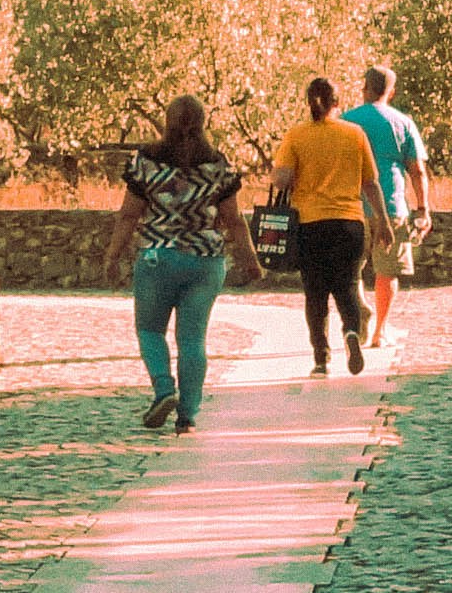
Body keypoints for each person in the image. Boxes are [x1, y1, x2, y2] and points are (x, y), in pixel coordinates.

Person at [103, 95, 242, 432]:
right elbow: (234, 220)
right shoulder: (218, 164)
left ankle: (165, 390)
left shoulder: (146, 161)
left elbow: (128, 216)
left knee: (150, 330)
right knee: (193, 340)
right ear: (203, 123)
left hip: (157, 257)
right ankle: (187, 416)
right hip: (205, 261)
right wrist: (252, 261)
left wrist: (112, 255)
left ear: (166, 123)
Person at [267, 74, 382, 376]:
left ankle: (321, 359)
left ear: (309, 103)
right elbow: (370, 183)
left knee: (315, 293)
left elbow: (281, 179)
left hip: (310, 223)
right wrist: (382, 221)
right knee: (347, 287)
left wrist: (278, 171)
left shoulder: (297, 135)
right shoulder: (355, 134)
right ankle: (352, 334)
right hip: (349, 223)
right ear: (337, 103)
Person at [346, 63, 432, 348]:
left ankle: (359, 316)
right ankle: (380, 332)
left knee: (350, 269)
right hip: (392, 205)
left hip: (352, 205)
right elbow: (417, 170)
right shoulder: (402, 123)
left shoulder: (347, 121)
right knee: (387, 271)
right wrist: (423, 208)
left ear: (364, 88)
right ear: (391, 92)